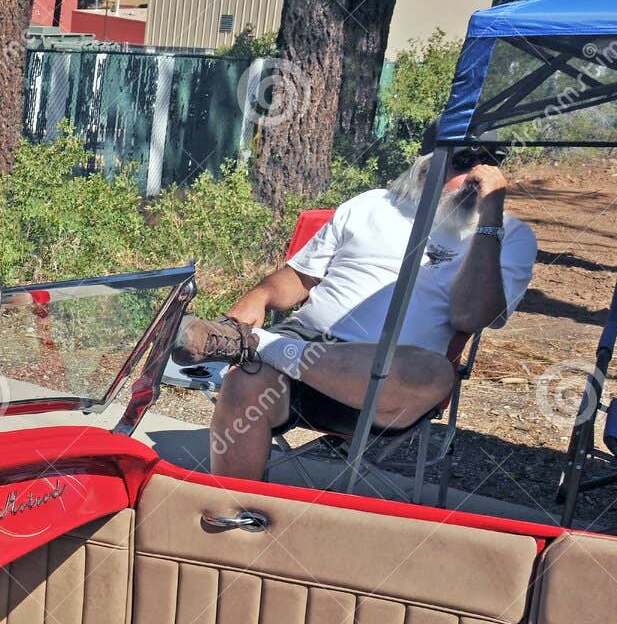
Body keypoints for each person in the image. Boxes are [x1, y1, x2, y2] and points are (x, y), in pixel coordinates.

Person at [177, 146, 538, 481]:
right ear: (426, 166)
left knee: (433, 372)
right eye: (463, 163)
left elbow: (470, 317)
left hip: (385, 386)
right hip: (299, 368)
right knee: (245, 382)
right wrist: (261, 294)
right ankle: (233, 513)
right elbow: (301, 277)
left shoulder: (510, 234)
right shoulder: (371, 205)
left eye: (489, 163)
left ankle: (257, 345)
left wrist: (490, 218)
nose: (478, 174)